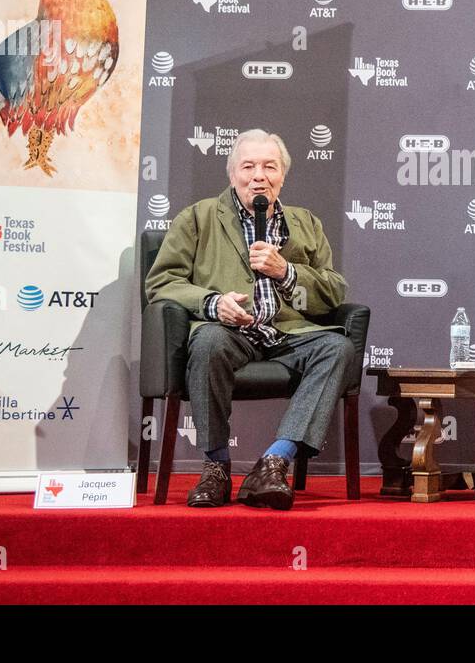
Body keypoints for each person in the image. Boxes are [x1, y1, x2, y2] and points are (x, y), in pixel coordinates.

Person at [145, 128, 354, 510]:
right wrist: (212, 303)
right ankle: (216, 468)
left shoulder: (305, 222)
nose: (259, 175)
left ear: (283, 175)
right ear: (232, 174)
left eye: (269, 166)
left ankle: (274, 462)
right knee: (207, 342)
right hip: (230, 329)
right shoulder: (198, 217)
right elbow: (161, 282)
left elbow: (333, 290)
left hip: (287, 331)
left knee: (338, 346)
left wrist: (287, 272)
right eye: (249, 166)